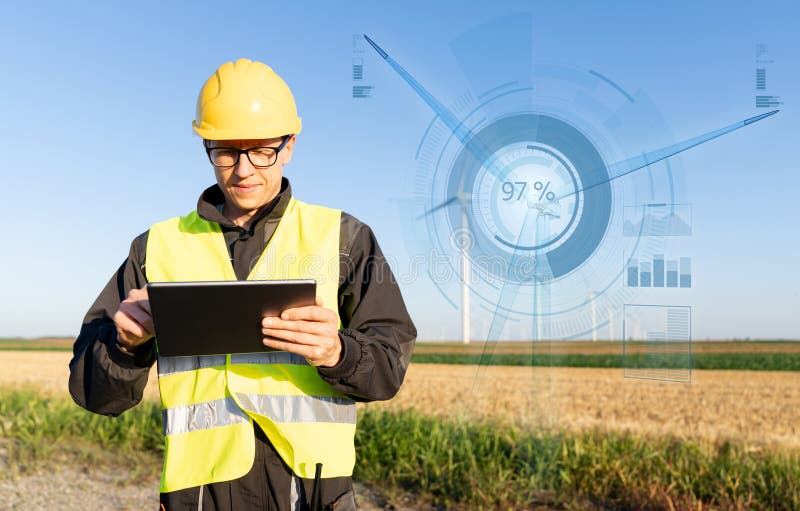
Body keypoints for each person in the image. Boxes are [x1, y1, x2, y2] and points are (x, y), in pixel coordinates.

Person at [69, 58, 416, 511]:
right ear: (206, 147)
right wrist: (123, 346)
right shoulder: (155, 247)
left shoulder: (344, 238)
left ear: (289, 145)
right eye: (227, 151)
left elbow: (389, 367)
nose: (243, 170)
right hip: (199, 494)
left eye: (261, 150)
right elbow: (94, 395)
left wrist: (339, 352)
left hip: (313, 492)